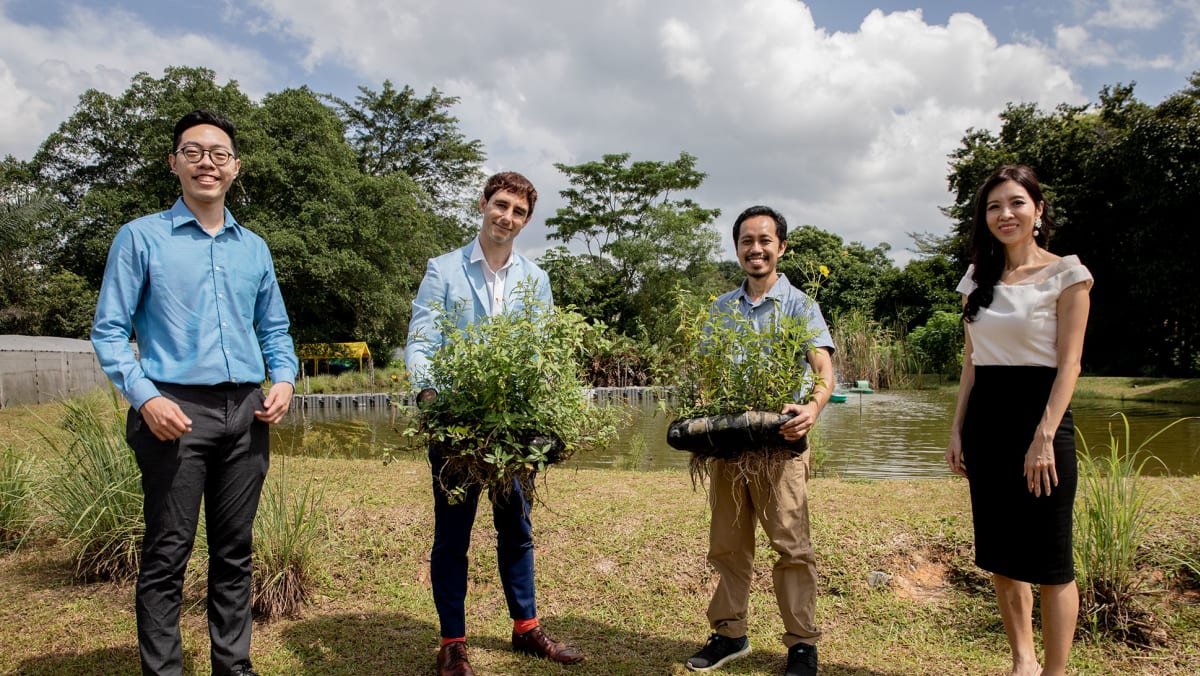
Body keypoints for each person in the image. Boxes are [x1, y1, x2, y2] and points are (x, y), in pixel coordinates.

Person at [90, 109, 297, 676]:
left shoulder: (254, 248)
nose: (208, 162)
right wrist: (146, 396)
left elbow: (275, 329)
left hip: (247, 413)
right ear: (174, 162)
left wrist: (283, 378)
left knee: (235, 550)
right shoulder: (140, 237)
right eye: (194, 152)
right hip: (172, 411)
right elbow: (109, 330)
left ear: (236, 167)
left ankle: (234, 665)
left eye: (219, 154)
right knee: (167, 552)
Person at [405, 171, 584, 676]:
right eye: (501, 205)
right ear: (483, 204)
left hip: (516, 429)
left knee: (517, 529)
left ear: (526, 221)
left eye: (518, 212)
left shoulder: (535, 278)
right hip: (458, 424)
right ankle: (452, 643)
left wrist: (551, 407)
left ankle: (526, 628)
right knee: (452, 536)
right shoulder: (443, 269)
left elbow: (545, 350)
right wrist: (430, 395)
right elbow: (422, 338)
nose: (507, 217)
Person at [945, 164, 1092, 676]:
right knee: (1001, 556)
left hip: (1041, 422)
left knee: (1052, 562)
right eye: (993, 207)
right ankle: (1023, 662)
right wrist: (956, 429)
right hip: (986, 425)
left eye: (1016, 203)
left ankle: (1054, 672)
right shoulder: (977, 279)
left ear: (1038, 210)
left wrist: (1044, 436)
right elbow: (971, 361)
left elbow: (1070, 364)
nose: (1005, 214)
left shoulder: (1068, 274)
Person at [685, 206, 835, 676]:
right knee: (728, 545)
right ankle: (730, 633)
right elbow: (706, 375)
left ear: (781, 247)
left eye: (765, 240)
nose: (756, 249)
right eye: (747, 241)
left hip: (779, 444)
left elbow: (823, 369)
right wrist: (703, 416)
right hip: (730, 447)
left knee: (791, 547)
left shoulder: (801, 306)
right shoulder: (720, 309)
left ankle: (802, 644)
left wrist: (812, 408)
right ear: (737, 249)